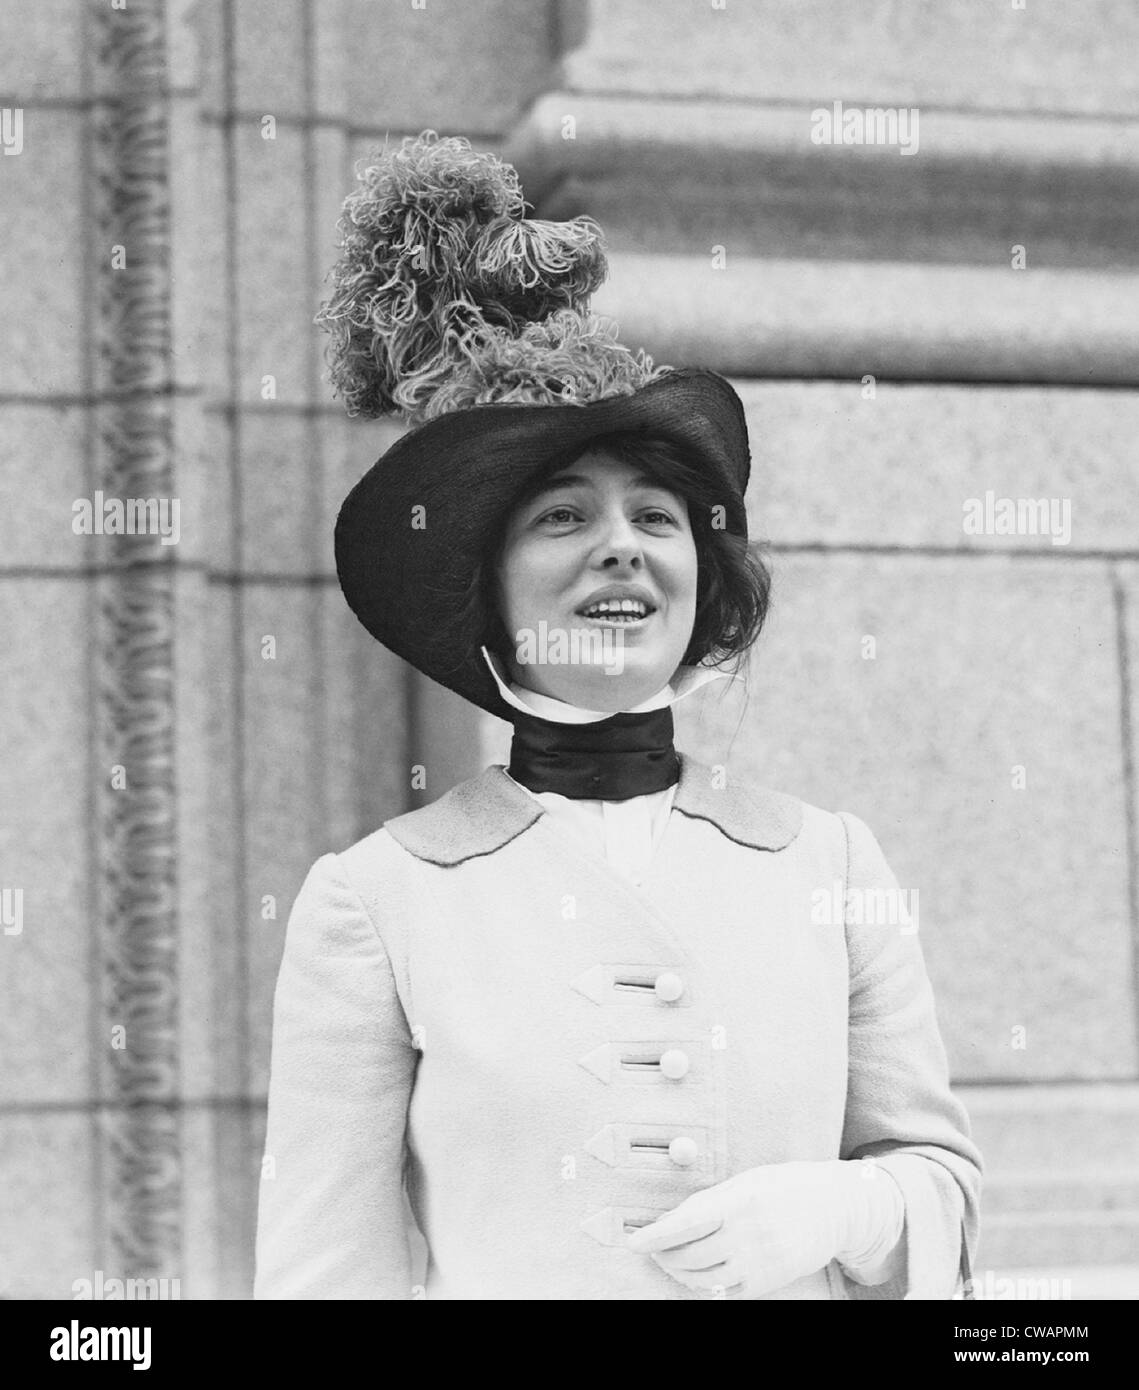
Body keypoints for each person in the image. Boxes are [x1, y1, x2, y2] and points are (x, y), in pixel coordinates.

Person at [253, 131, 982, 1301]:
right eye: (560, 517)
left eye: (656, 514)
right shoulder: (375, 902)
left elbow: (940, 1188)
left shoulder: (831, 862)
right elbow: (323, 1276)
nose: (620, 546)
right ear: (484, 585)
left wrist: (843, 1206)